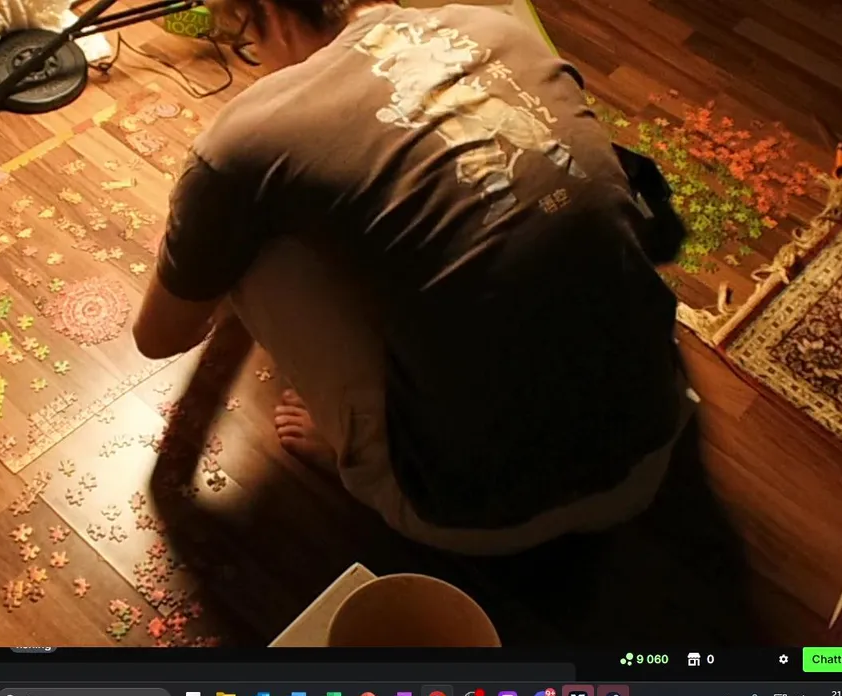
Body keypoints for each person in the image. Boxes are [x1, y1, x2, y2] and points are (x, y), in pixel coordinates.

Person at [132, 0, 697, 555]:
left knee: (255, 237)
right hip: (654, 439)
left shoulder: (244, 139)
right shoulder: (493, 26)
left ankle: (362, 456)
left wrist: (201, 232)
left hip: (480, 515)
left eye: (246, 41)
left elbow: (159, 338)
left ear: (269, 13)